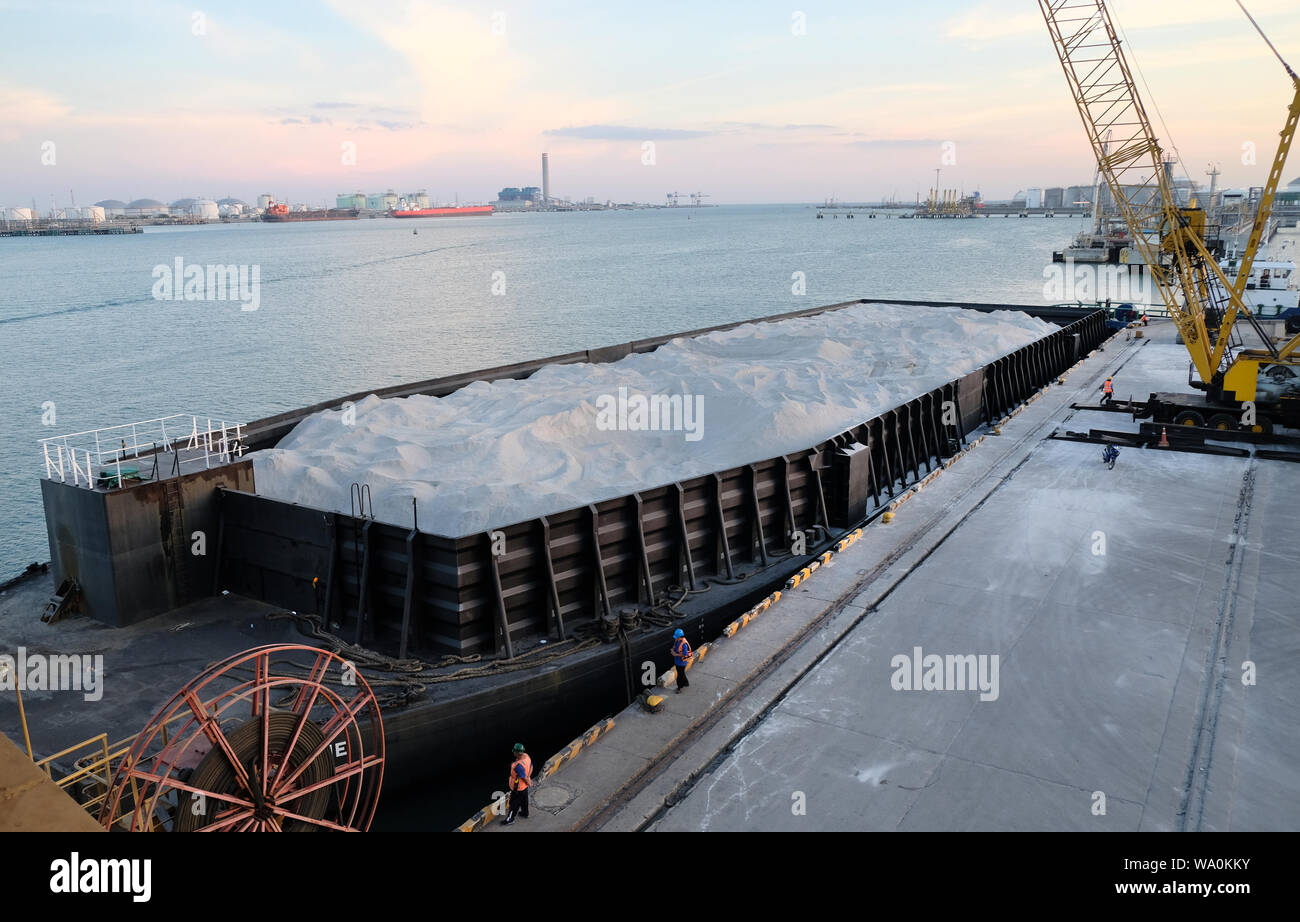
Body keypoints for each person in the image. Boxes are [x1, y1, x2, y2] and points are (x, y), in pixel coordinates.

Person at [504, 743, 532, 825]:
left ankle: (510, 819)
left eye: (514, 752)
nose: (513, 753)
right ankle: (525, 813)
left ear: (517, 753)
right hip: (524, 787)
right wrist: (529, 778)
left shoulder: (517, 765)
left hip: (518, 788)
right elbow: (531, 766)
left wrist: (528, 781)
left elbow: (523, 776)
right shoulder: (527, 757)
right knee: (524, 800)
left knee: (514, 804)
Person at [671, 628, 692, 694]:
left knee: (680, 675)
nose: (675, 638)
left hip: (681, 663)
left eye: (676, 637)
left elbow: (685, 654)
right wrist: (673, 650)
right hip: (677, 661)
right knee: (682, 673)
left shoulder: (684, 644)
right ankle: (686, 683)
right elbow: (676, 648)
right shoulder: (678, 641)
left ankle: (679, 688)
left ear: (680, 637)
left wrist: (675, 654)